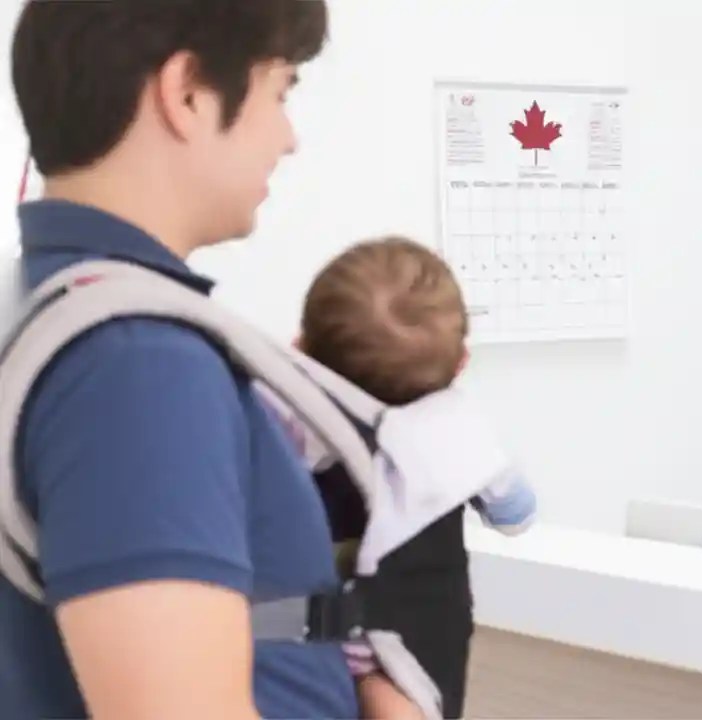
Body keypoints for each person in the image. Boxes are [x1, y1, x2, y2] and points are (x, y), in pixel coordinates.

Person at [0, 2, 413, 717]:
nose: (289, 139)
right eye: (280, 92)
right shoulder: (137, 366)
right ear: (187, 92)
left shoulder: (46, 311)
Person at [286, 236, 537, 719]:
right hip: (414, 639)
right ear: (460, 364)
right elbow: (516, 516)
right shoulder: (460, 437)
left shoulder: (284, 423)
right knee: (404, 691)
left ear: (301, 349)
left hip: (312, 641)